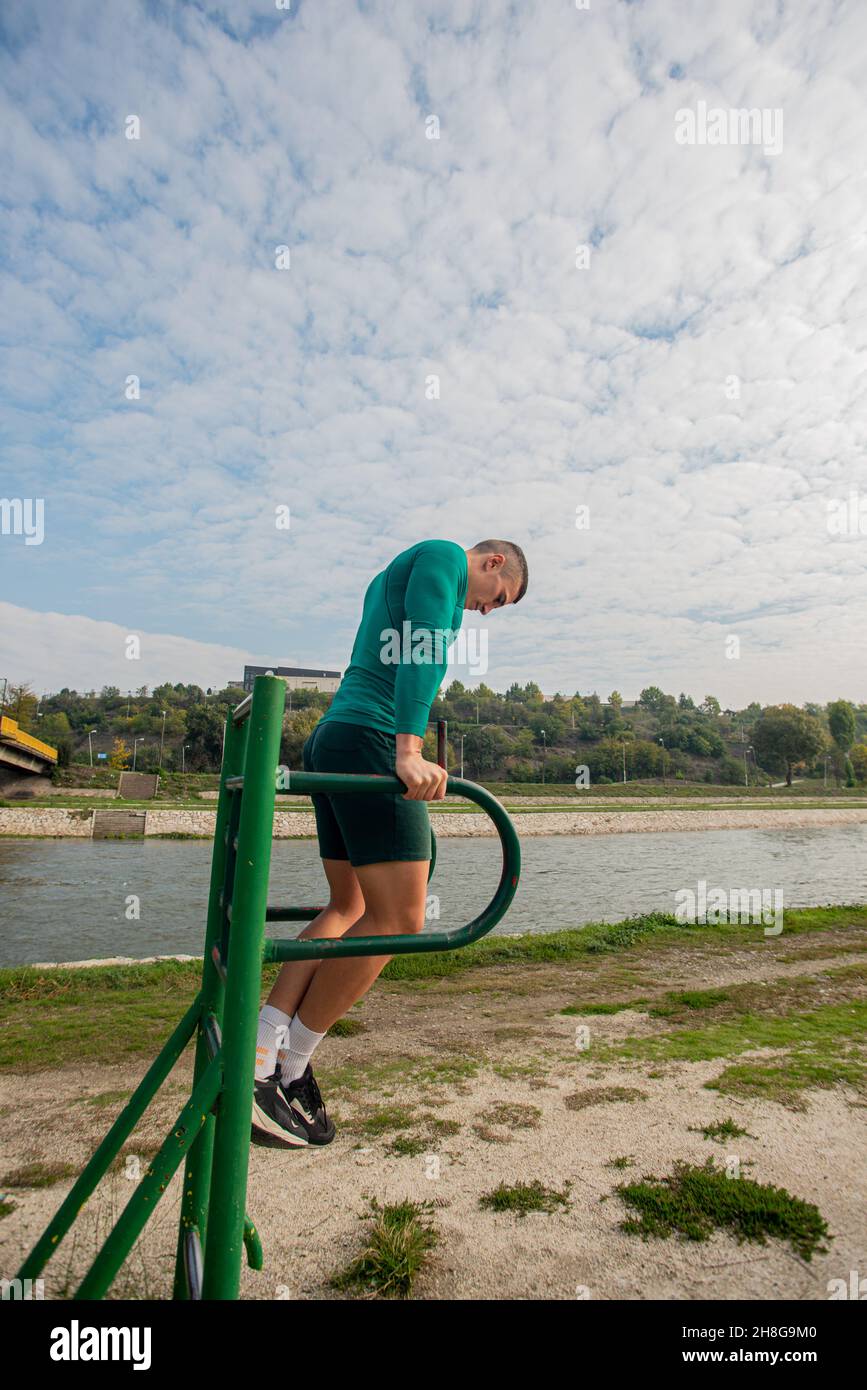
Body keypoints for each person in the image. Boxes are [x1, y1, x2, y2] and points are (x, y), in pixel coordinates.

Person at [251, 537, 528, 1149]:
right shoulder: (446, 559)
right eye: (496, 600)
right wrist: (410, 750)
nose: (485, 611)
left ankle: (261, 1051)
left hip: (337, 734)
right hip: (373, 740)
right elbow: (424, 651)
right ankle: (289, 1069)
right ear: (493, 563)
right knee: (401, 918)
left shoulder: (405, 569)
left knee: (347, 906)